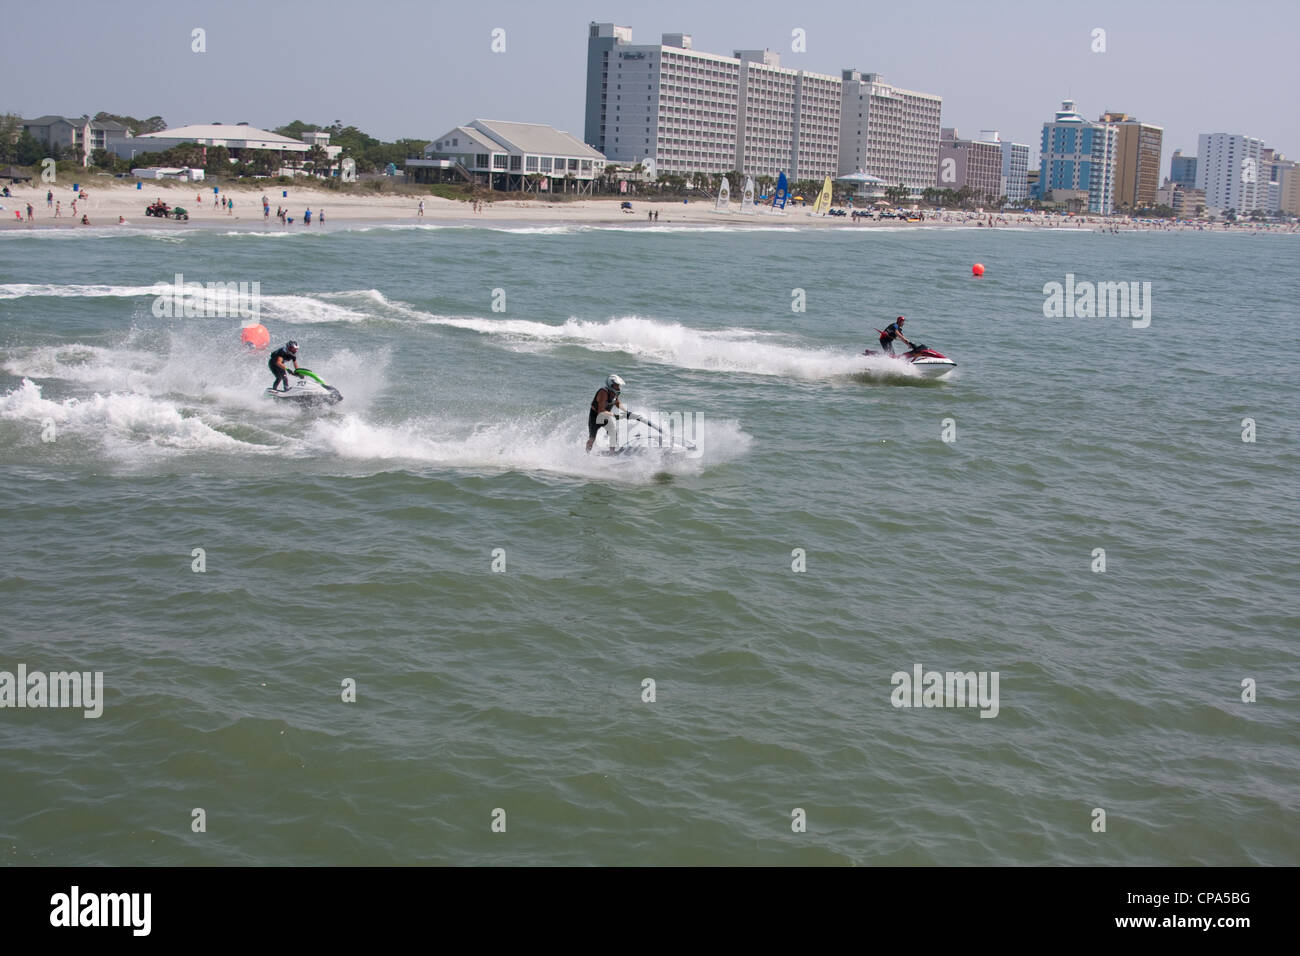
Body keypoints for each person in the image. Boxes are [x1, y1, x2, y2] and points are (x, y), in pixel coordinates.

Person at [586, 374, 627, 452]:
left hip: (605, 416)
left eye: (618, 385)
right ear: (610, 384)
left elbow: (617, 403)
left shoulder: (615, 392)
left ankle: (612, 454)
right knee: (592, 438)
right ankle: (587, 454)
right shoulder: (603, 392)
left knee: (613, 434)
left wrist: (626, 411)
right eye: (616, 385)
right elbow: (601, 410)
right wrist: (614, 415)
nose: (618, 388)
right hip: (595, 417)